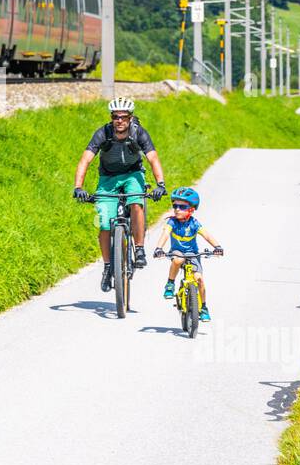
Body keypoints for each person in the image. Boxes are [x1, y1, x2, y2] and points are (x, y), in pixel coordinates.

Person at [72, 96, 167, 291]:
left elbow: (153, 158)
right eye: (116, 117)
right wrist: (78, 187)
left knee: (136, 202)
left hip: (133, 175)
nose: (120, 121)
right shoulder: (103, 133)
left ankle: (139, 249)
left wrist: (161, 184)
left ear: (130, 118)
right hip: (107, 179)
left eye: (124, 117)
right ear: (111, 117)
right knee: (105, 223)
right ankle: (108, 267)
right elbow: (85, 160)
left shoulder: (139, 132)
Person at [153, 186, 224, 321]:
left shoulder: (194, 223)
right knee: (178, 260)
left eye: (182, 207)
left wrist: (217, 246)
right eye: (175, 206)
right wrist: (159, 248)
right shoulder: (172, 222)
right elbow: (165, 234)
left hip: (192, 254)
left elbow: (207, 235)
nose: (177, 209)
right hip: (177, 252)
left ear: (191, 209)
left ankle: (203, 307)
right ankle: (170, 283)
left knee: (199, 279)